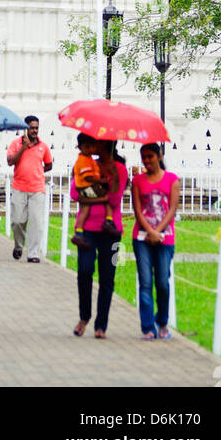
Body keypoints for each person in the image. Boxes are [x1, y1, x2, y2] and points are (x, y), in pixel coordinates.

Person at [72, 140, 128, 339]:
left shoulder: (120, 169)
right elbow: (75, 194)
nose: (97, 148)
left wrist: (93, 193)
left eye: (101, 145)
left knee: (107, 277)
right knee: (84, 271)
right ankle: (84, 316)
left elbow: (114, 200)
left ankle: (101, 324)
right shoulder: (87, 164)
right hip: (87, 229)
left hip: (112, 230)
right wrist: (100, 192)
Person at [131, 143, 180, 340]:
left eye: (150, 156)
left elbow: (172, 209)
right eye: (144, 157)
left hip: (165, 238)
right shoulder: (137, 180)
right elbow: (137, 208)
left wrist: (157, 231)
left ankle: (162, 322)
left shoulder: (172, 180)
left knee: (162, 282)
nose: (147, 161)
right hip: (142, 237)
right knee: (145, 282)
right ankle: (148, 327)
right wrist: (149, 231)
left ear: (159, 156)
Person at [6, 114, 52, 262]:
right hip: (19, 187)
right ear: (25, 129)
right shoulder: (15, 144)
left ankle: (33, 253)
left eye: (36, 128)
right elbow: (10, 161)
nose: (34, 131)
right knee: (18, 221)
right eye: (31, 128)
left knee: (36, 222)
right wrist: (24, 148)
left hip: (37, 189)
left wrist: (38, 172)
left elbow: (49, 164)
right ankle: (19, 246)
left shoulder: (43, 146)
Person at [71, 133, 111, 246]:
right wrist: (101, 181)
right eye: (87, 147)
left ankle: (79, 233)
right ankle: (109, 220)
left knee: (85, 210)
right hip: (88, 186)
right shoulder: (83, 160)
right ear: (80, 148)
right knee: (108, 197)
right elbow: (87, 176)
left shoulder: (88, 159)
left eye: (92, 146)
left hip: (85, 186)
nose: (90, 149)